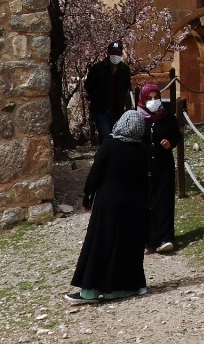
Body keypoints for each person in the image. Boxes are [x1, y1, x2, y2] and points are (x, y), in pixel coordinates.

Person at [68, 111, 151, 304]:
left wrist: (87, 196)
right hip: (135, 204)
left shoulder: (110, 145)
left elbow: (96, 173)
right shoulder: (142, 149)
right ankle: (128, 287)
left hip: (109, 203)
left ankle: (90, 291)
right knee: (127, 245)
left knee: (102, 243)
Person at [137, 82, 182, 254]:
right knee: (147, 201)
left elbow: (176, 134)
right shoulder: (139, 119)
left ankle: (165, 238)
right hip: (145, 167)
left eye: (156, 98)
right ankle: (149, 238)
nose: (153, 101)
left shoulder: (168, 118)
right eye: (149, 98)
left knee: (164, 200)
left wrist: (170, 142)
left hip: (164, 166)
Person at [83, 41, 132, 143]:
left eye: (118, 53)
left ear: (121, 54)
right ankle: (106, 158)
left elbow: (127, 88)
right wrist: (96, 99)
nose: (115, 56)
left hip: (117, 110)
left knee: (117, 139)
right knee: (106, 138)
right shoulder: (97, 68)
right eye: (113, 53)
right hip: (101, 111)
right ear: (108, 53)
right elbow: (88, 85)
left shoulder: (125, 70)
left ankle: (112, 158)